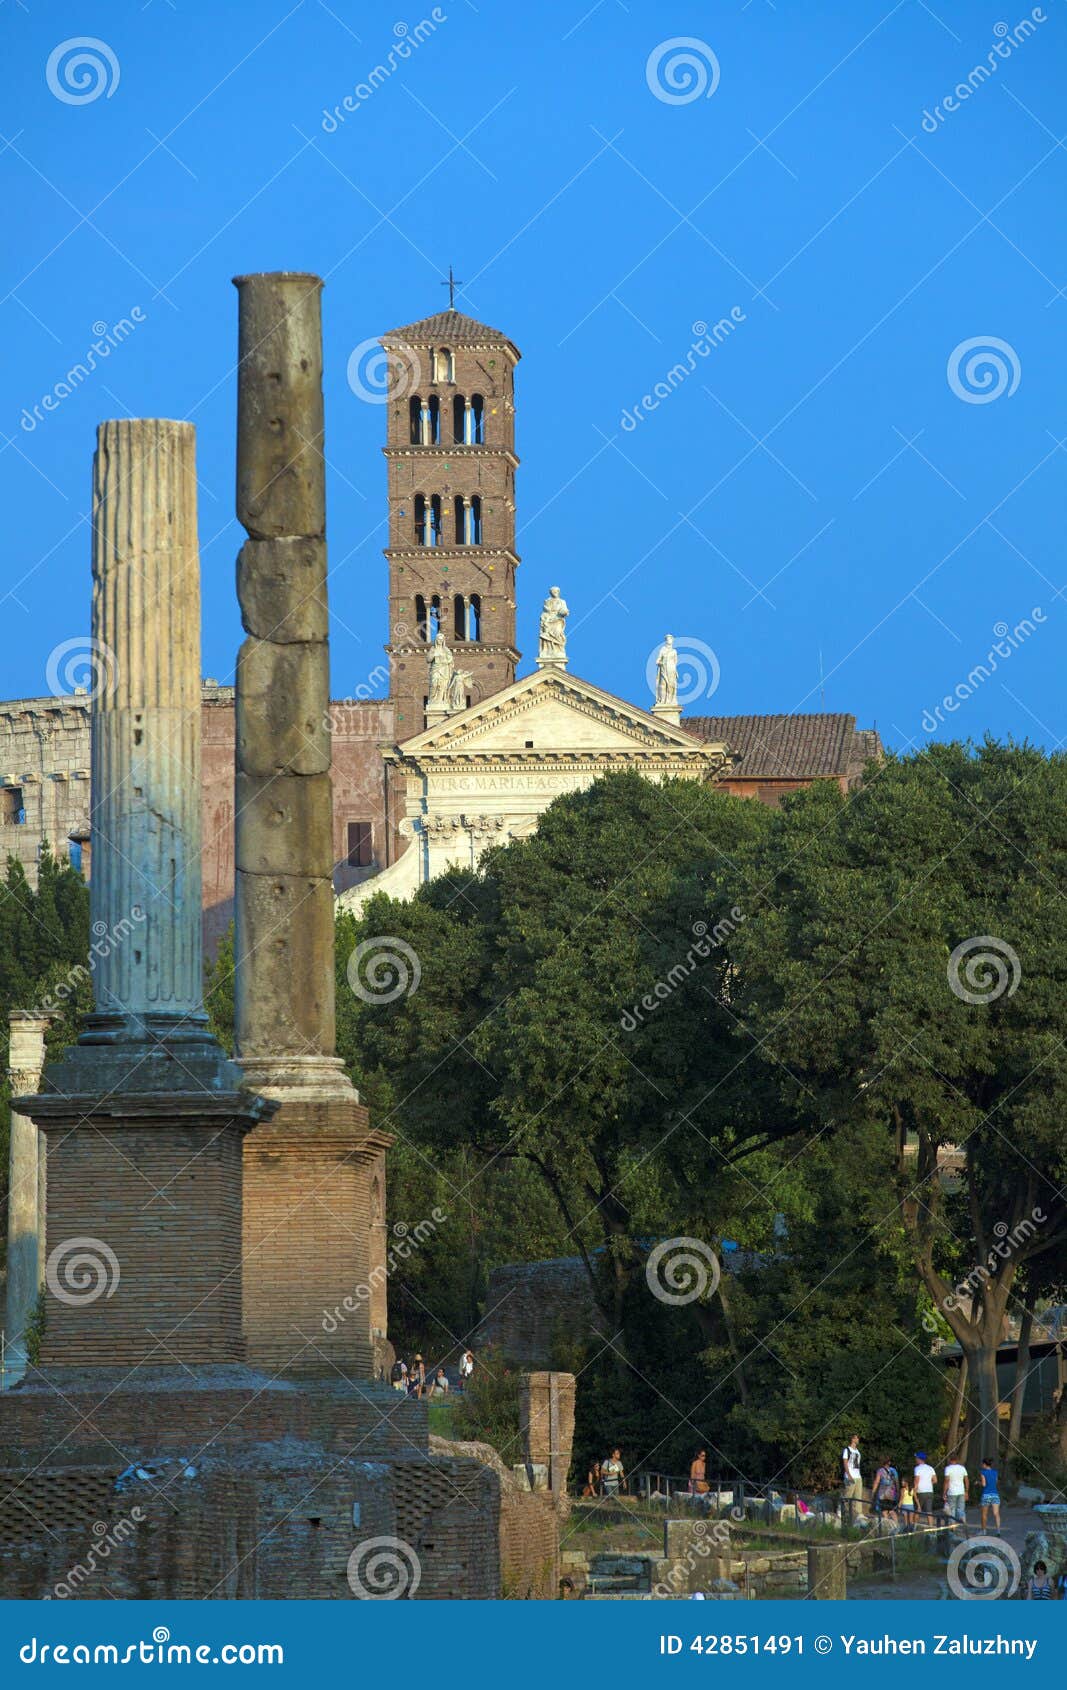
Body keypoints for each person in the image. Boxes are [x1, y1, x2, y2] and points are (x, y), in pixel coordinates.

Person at [871, 1457, 899, 1526]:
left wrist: (873, 1491)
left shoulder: (880, 1471)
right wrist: (898, 1491)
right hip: (892, 1494)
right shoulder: (894, 1470)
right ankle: (897, 1525)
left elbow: (877, 1481)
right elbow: (897, 1482)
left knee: (884, 1511)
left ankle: (887, 1526)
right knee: (892, 1510)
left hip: (882, 1494)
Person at [942, 1451, 968, 1524]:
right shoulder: (962, 1468)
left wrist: (944, 1492)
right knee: (960, 1509)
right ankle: (963, 1522)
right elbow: (966, 1480)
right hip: (961, 1491)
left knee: (952, 1510)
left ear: (950, 1459)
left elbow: (946, 1481)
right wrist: (966, 1491)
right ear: (957, 1459)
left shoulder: (948, 1468)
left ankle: (952, 1527)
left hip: (952, 1492)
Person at [841, 1435, 863, 1521]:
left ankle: (859, 1513)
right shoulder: (847, 1450)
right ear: (852, 1439)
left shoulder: (858, 1451)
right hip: (850, 1475)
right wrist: (848, 1474)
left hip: (858, 1476)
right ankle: (844, 1511)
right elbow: (845, 1463)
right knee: (848, 1495)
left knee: (858, 1496)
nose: (858, 1439)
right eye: (856, 1438)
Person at [979, 1457, 1001, 1532]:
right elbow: (996, 1482)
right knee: (996, 1513)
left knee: (984, 1514)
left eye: (983, 1464)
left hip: (986, 1494)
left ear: (985, 1464)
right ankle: (998, 1530)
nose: (982, 1465)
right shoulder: (995, 1472)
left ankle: (984, 1531)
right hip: (995, 1494)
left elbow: (984, 1484)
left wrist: (978, 1483)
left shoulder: (983, 1472)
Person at [913, 1452, 937, 1519]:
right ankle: (931, 1527)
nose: (915, 1459)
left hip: (920, 1492)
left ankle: (914, 1527)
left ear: (919, 1459)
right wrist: (928, 1483)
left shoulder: (917, 1468)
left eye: (916, 1458)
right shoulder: (930, 1468)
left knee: (918, 1510)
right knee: (929, 1511)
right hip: (930, 1491)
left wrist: (914, 1490)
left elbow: (916, 1481)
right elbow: (935, 1480)